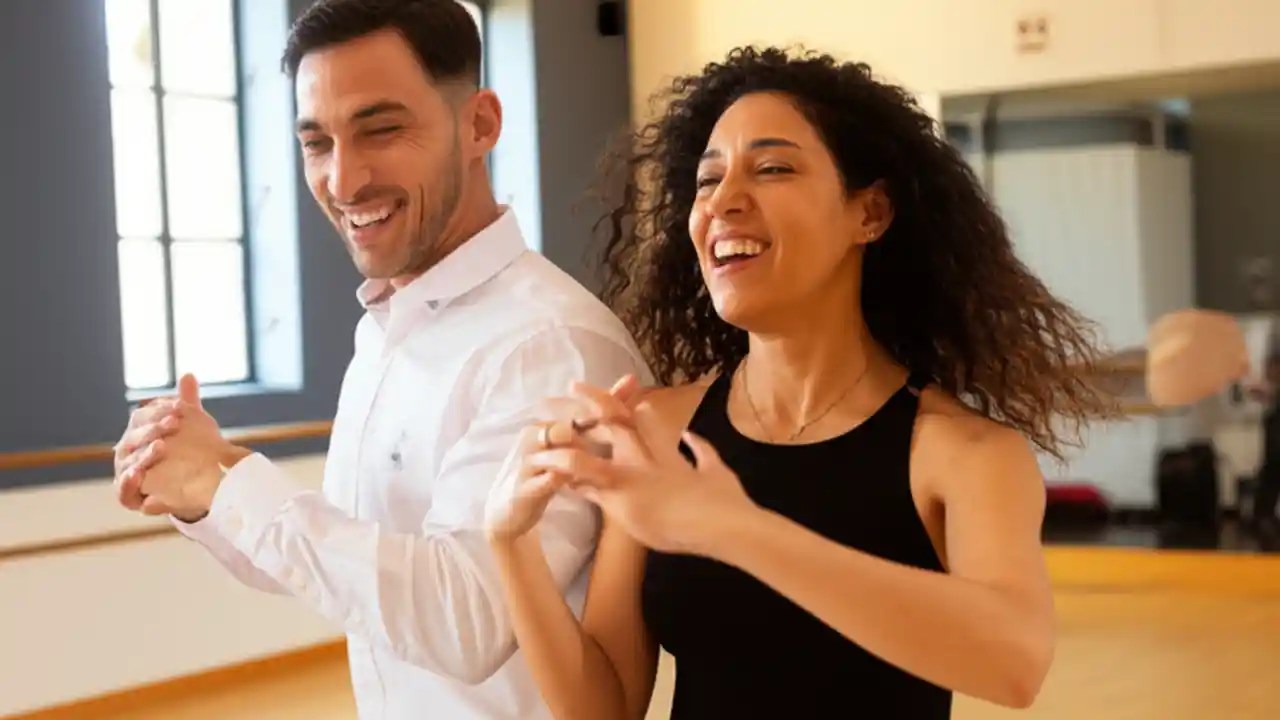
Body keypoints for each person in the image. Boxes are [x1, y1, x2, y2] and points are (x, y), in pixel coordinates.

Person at [483, 46, 1122, 719]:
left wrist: (736, 531)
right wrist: (511, 544)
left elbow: (1014, 664)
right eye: (707, 180)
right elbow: (601, 711)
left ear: (869, 214)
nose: (724, 201)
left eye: (773, 168)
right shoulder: (659, 428)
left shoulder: (962, 454)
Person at [110, 1, 647, 718]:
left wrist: (232, 482)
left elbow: (469, 622)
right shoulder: (389, 326)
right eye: (316, 143)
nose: (344, 179)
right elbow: (349, 568)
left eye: (382, 129)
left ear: (480, 125)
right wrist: (205, 492)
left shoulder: (549, 343)